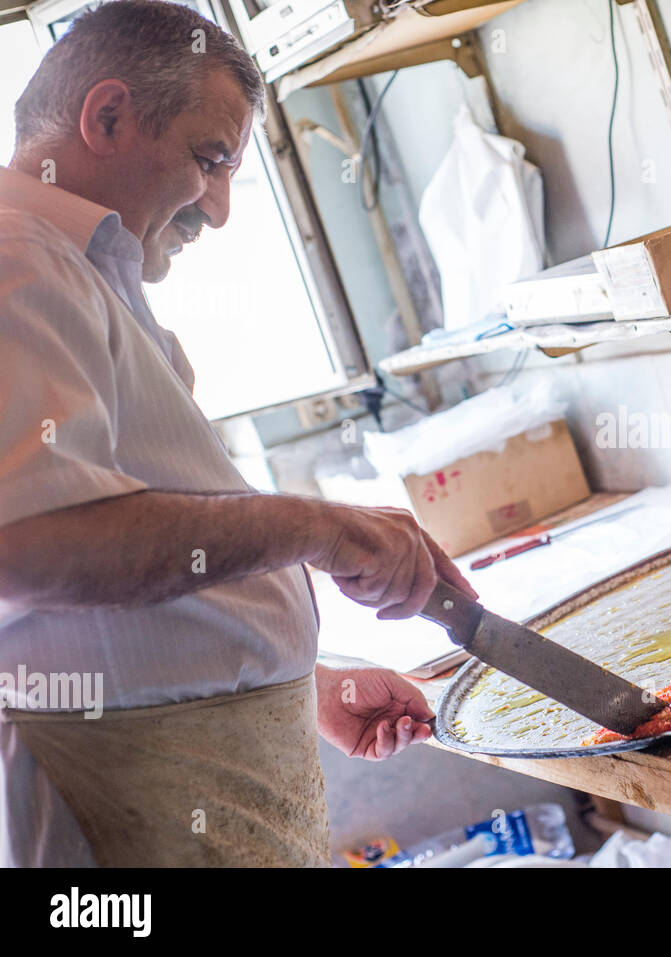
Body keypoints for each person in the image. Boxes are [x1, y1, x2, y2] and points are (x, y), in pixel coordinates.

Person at [0, 0, 476, 866]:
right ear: (105, 116)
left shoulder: (87, 277)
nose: (217, 209)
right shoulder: (16, 259)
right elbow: (24, 547)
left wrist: (303, 685)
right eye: (208, 159)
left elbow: (134, 586)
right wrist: (323, 529)